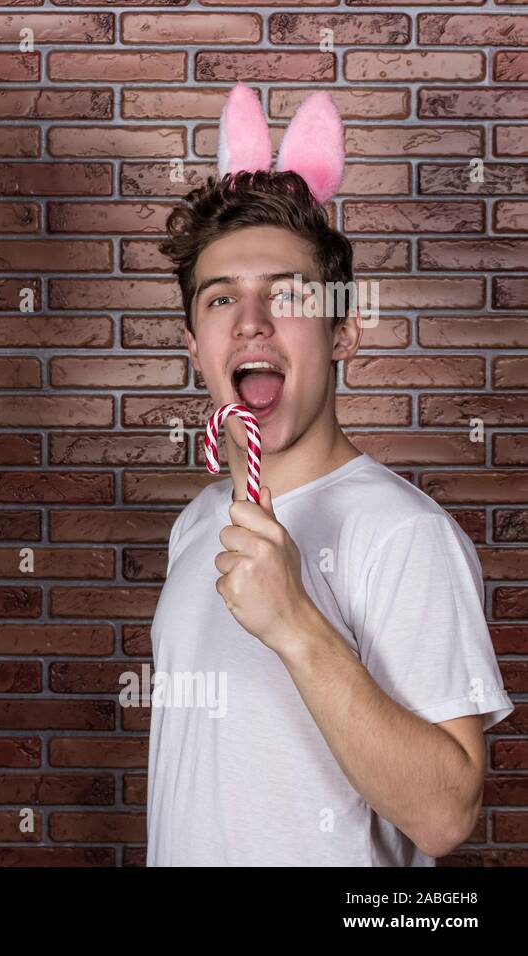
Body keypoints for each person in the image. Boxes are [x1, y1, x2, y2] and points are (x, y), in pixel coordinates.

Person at [146, 84, 513, 865]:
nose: (251, 321)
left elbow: (447, 815)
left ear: (343, 330)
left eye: (288, 295)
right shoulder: (198, 522)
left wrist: (296, 624)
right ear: (192, 343)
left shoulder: (403, 534)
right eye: (221, 300)